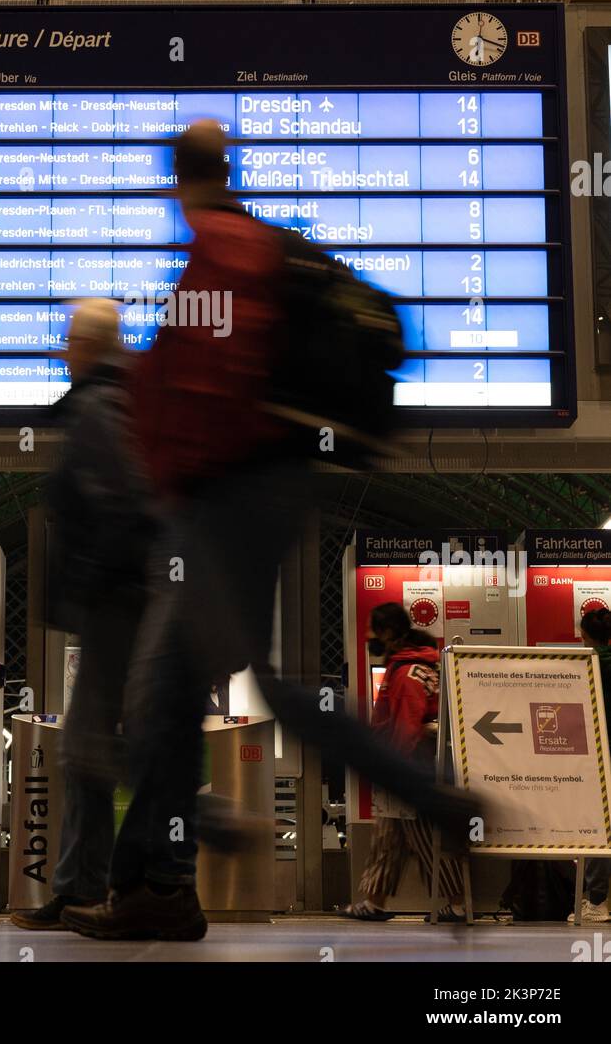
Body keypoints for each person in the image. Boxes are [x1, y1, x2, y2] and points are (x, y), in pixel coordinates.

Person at [62, 120, 477, 942]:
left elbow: (218, 386)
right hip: (248, 492)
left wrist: (169, 467)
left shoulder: (224, 248)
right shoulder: (250, 245)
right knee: (170, 693)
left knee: (222, 686)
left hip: (225, 498)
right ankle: (164, 884)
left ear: (179, 180)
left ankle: (424, 797)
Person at [11, 299, 154, 931]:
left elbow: (123, 504)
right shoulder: (108, 403)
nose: (62, 352)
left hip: (116, 603)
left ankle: (88, 889)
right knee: (89, 749)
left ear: (91, 345)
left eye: (69, 340)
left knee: (87, 751)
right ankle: (82, 888)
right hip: (120, 601)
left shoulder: (101, 407)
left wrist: (93, 584)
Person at [338, 602, 466, 922]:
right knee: (388, 838)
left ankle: (459, 903)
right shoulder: (419, 664)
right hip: (413, 763)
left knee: (425, 836)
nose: (370, 637)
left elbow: (407, 725)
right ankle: (375, 901)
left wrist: (394, 769)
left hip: (412, 767)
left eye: (375, 630)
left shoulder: (408, 672)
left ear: (390, 632)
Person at [570, 607, 611, 923]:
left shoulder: (587, 665)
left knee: (600, 829)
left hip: (599, 757)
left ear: (584, 637)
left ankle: (596, 902)